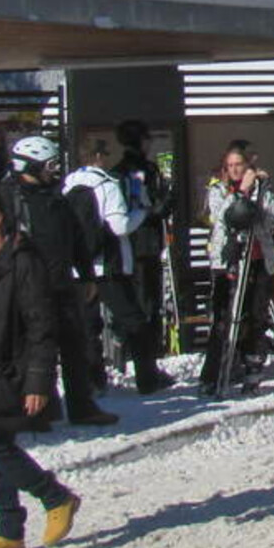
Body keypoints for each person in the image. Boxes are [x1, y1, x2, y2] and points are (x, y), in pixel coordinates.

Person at [0, 185, 80, 548]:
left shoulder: (24, 261)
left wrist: (39, 379)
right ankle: (8, 529)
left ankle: (56, 497)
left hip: (13, 370)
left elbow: (42, 324)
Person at [0, 135, 117, 426]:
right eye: (48, 165)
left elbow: (75, 237)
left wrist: (87, 274)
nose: (54, 171)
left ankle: (82, 405)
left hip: (61, 283)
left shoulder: (56, 197)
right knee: (34, 348)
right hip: (26, 286)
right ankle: (38, 409)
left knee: (75, 346)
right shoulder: (7, 198)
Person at [64, 140, 168, 395]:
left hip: (79, 267)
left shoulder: (68, 185)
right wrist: (144, 213)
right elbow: (119, 226)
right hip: (109, 266)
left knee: (87, 326)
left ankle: (93, 380)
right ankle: (147, 379)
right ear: (99, 157)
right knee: (134, 321)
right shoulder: (107, 184)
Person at [202, 143, 274, 395]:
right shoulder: (218, 190)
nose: (235, 170)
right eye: (231, 166)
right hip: (228, 260)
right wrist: (241, 193)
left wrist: (259, 204)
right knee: (224, 319)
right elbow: (221, 218)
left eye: (239, 165)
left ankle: (252, 368)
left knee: (255, 316)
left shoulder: (262, 188)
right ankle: (213, 374)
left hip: (258, 258)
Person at [110, 120, 174, 387]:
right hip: (144, 244)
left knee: (133, 304)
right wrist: (167, 202)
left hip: (125, 246)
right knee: (147, 306)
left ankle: (128, 357)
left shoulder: (116, 172)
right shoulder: (144, 171)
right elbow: (153, 206)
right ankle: (146, 367)